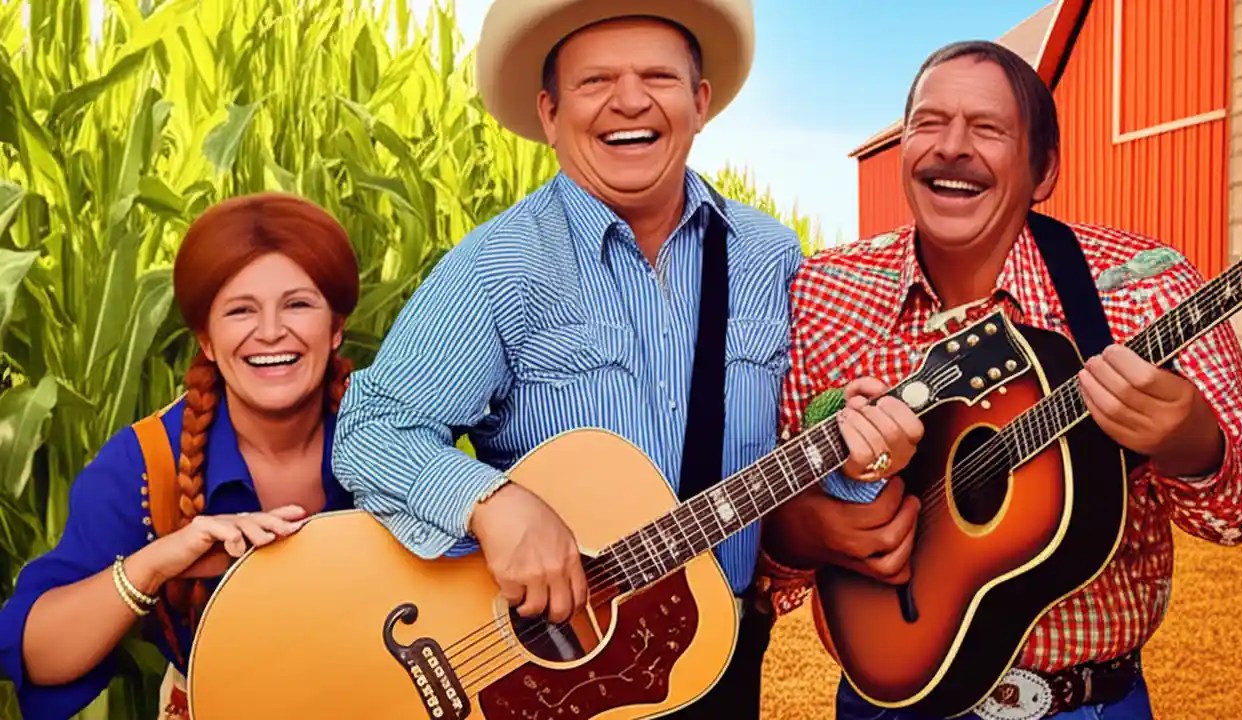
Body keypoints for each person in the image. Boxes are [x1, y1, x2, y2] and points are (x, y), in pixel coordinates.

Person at [331, 0, 884, 715]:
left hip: (722, 657)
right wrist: (492, 504)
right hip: (557, 670)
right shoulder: (499, 266)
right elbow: (372, 428)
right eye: (596, 82)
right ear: (550, 113)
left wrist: (860, 446)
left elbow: (792, 445)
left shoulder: (767, 256)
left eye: (658, 75)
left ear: (699, 102)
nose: (630, 100)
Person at [756, 40, 1242, 720]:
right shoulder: (827, 293)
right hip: (887, 692)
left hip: (1085, 705)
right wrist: (803, 531)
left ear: (1043, 171)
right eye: (929, 122)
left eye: (988, 128)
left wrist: (1192, 444)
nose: (951, 147)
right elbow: (766, 528)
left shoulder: (1144, 288)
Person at [0, 192, 362, 720]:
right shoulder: (147, 467)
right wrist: (156, 563)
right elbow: (37, 655)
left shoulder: (397, 431)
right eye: (240, 310)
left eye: (298, 304)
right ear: (207, 340)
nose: (269, 331)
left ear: (336, 327)